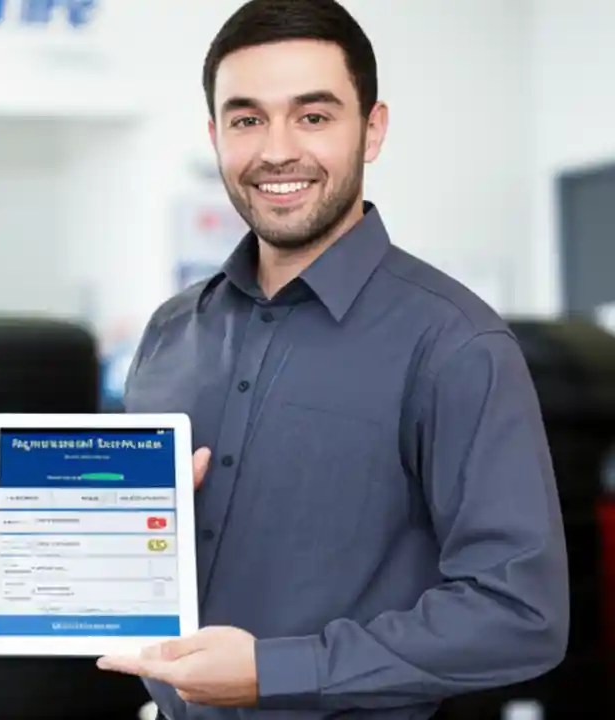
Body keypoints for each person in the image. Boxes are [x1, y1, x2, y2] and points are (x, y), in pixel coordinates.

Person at [96, 0, 570, 718]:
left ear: (372, 130)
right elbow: (130, 570)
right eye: (246, 118)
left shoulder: (455, 345)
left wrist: (272, 670)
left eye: (313, 117)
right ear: (215, 134)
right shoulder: (169, 334)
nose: (277, 150)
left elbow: (518, 615)